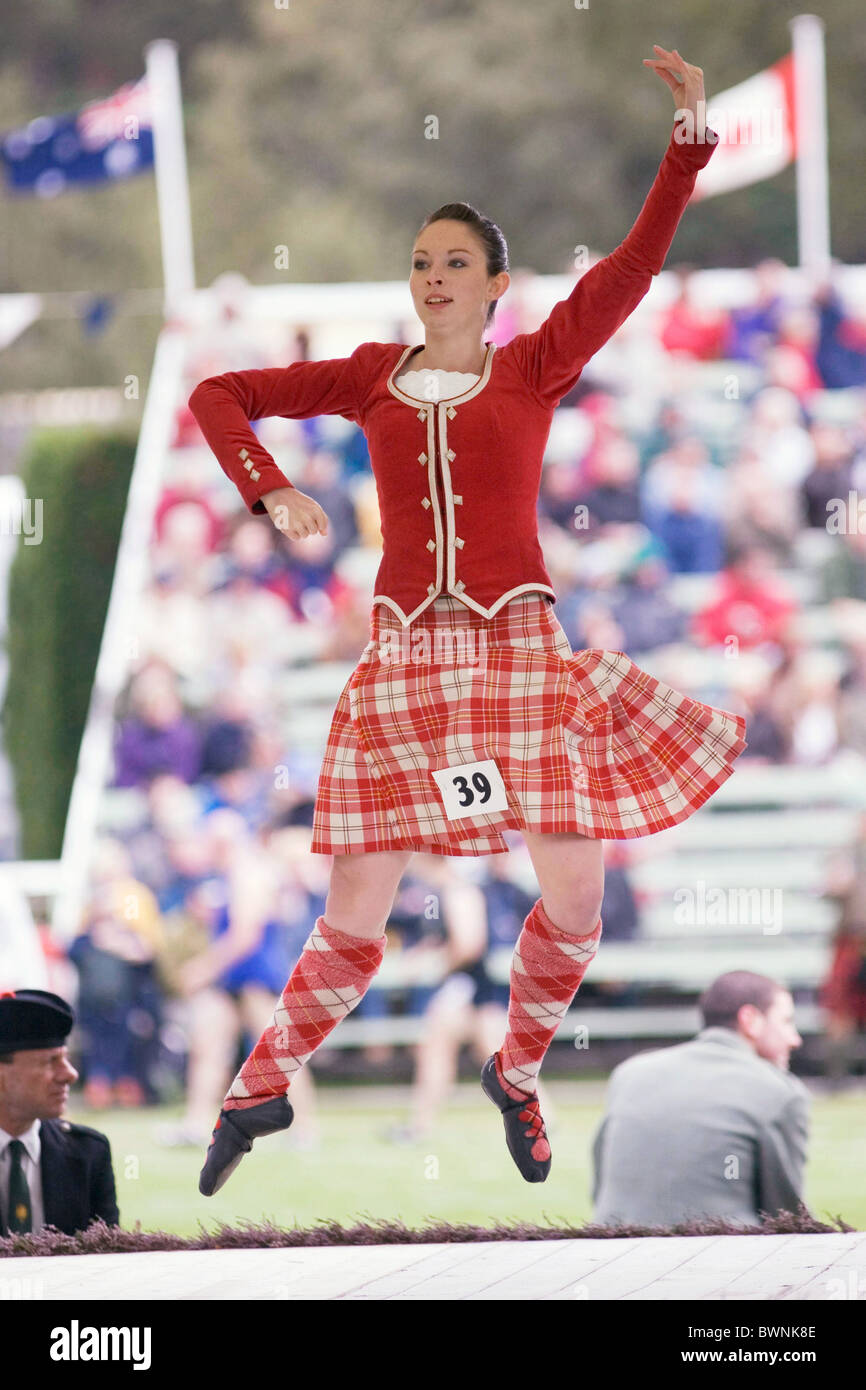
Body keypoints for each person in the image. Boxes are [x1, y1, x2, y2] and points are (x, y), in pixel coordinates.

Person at [188, 47, 746, 1194]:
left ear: (496, 283)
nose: (432, 277)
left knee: (575, 896)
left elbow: (634, 266)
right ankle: (259, 1084)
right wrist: (269, 486)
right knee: (355, 906)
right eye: (419, 262)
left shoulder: (535, 364)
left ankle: (517, 1068)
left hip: (517, 656)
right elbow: (217, 395)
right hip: (405, 663)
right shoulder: (364, 376)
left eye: (454, 262)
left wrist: (686, 150)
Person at [591, 972, 810, 1228]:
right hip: (719, 1255)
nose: (795, 1039)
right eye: (786, 1021)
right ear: (750, 1020)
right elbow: (786, 1218)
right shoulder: (779, 1090)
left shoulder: (630, 1073)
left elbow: (601, 1187)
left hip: (614, 1249)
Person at [0, 990, 119, 1236]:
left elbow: (107, 1261)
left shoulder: (88, 1152)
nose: (70, 1074)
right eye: (49, 1062)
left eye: (64, 1059)